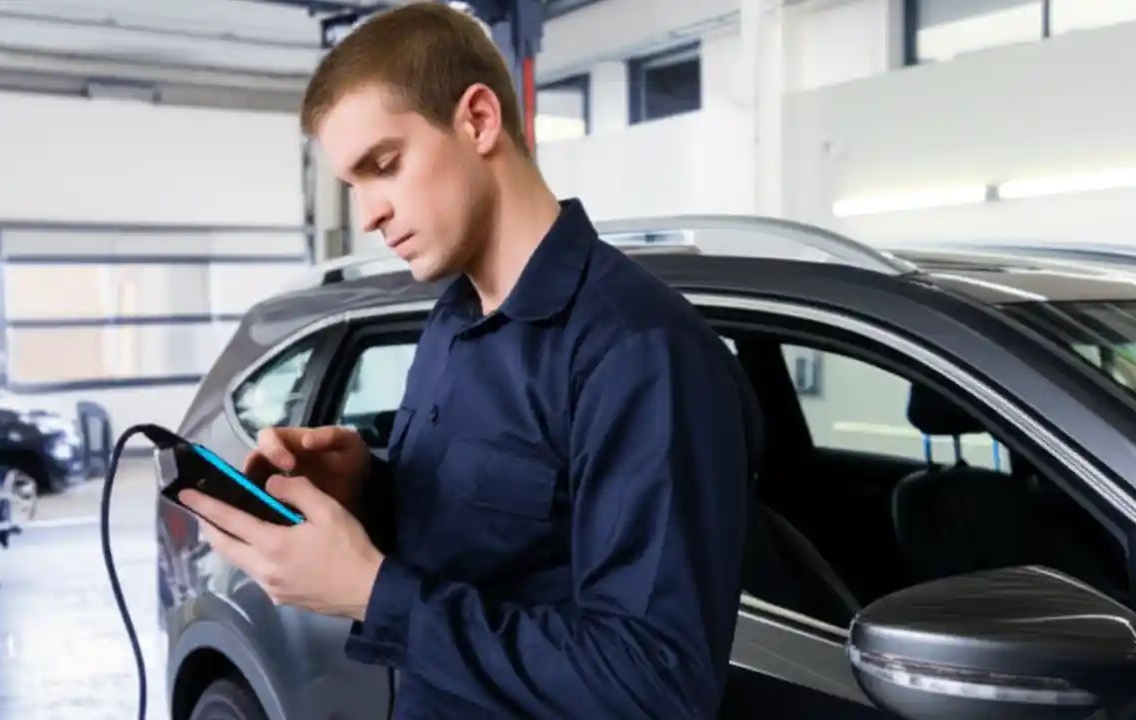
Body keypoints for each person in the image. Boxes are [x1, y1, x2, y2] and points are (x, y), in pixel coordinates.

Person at [179, 2, 763, 717]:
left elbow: (653, 684)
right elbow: (498, 544)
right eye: (352, 185)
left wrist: (372, 592)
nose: (368, 214)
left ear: (478, 120)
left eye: (384, 165)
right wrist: (369, 491)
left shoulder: (640, 354)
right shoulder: (453, 320)